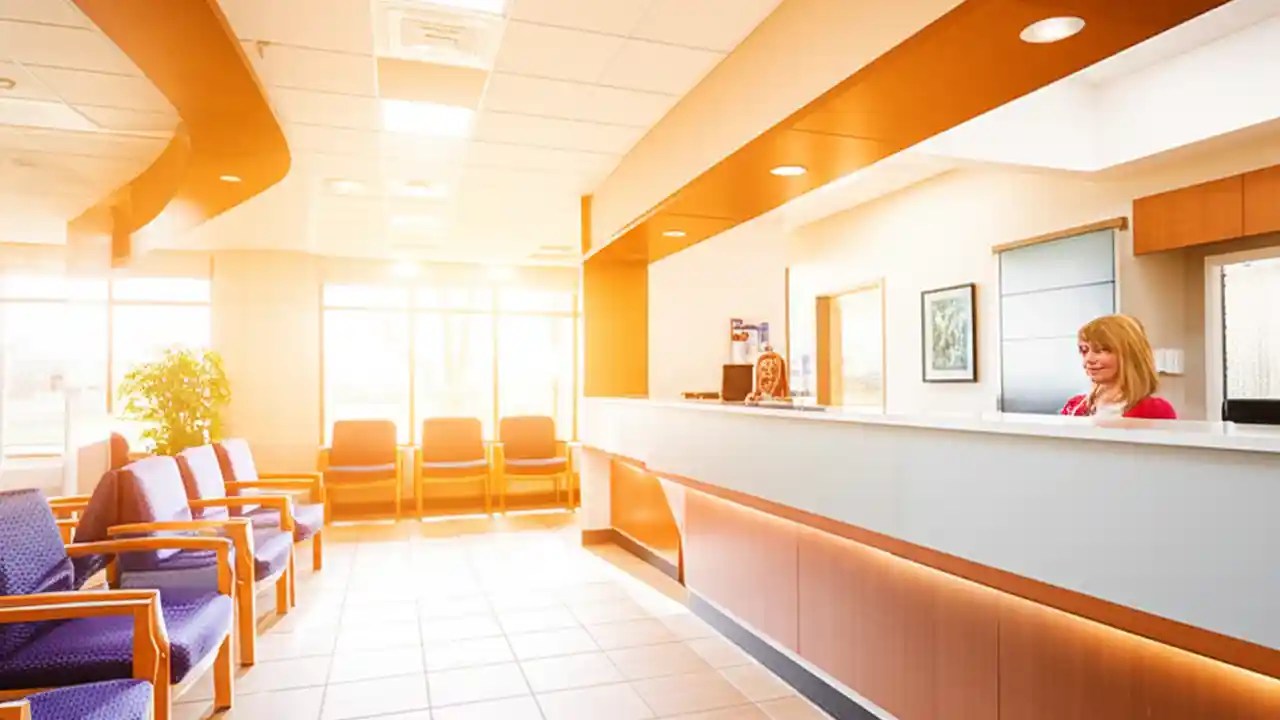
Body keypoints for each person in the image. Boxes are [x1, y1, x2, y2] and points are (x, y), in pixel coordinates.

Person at [1061, 314, 1177, 419]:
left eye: (1100, 350)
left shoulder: (1155, 411)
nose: (1089, 359)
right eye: (1084, 350)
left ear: (1129, 354)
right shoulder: (1074, 407)